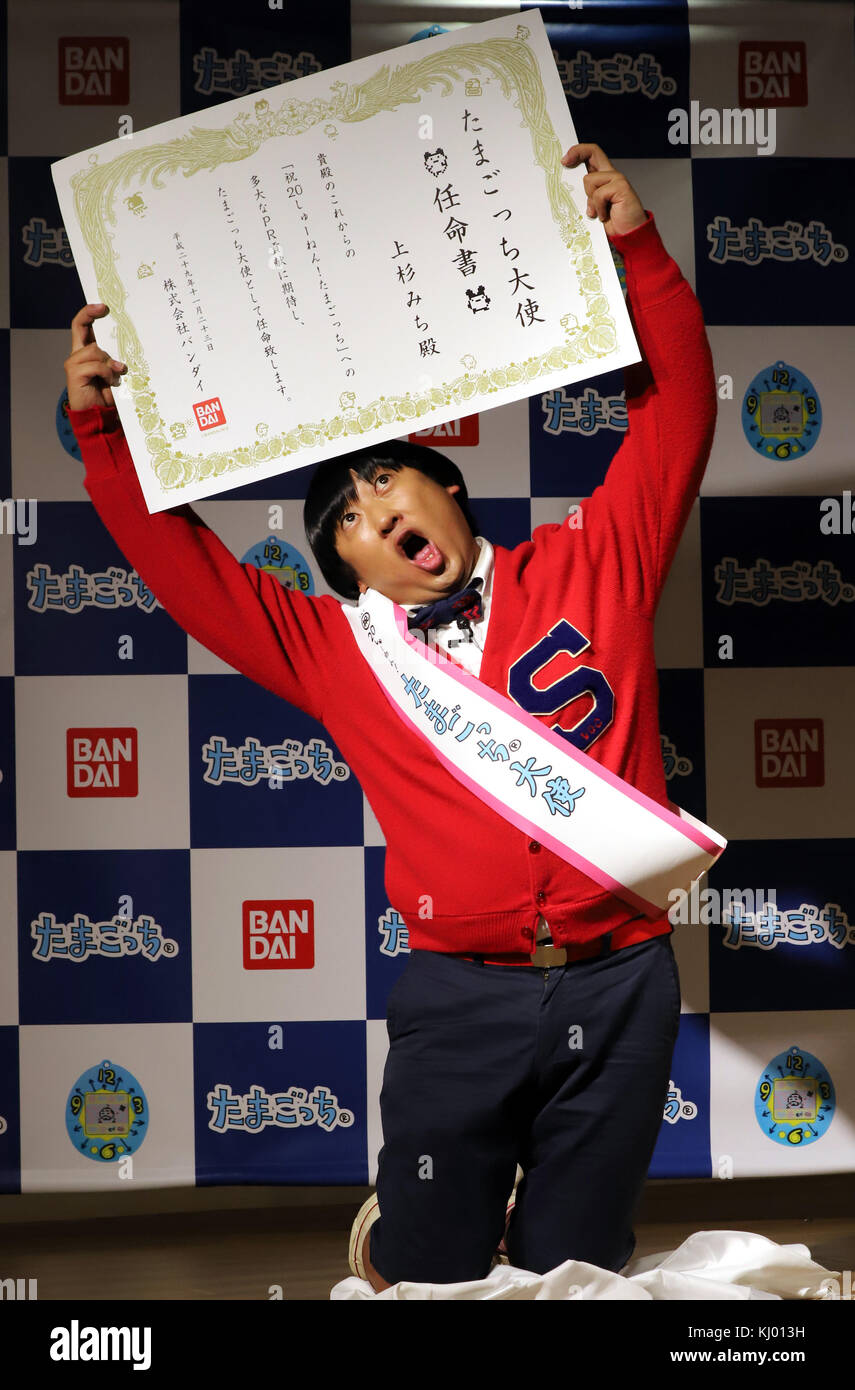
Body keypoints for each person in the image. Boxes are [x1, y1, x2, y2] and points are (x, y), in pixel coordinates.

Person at [63, 144, 716, 1293]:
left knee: (575, 1271)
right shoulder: (337, 651)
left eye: (385, 483)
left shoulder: (595, 561)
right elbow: (188, 572)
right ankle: (397, 1234)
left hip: (623, 979)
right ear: (352, 574)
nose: (375, 511)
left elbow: (677, 411)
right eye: (349, 521)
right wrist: (105, 437)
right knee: (433, 1271)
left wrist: (636, 249)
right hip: (460, 991)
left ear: (446, 488)